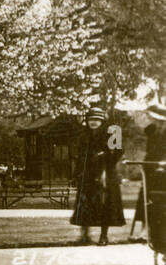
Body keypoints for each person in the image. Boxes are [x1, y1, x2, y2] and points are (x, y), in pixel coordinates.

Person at [71, 107, 125, 246]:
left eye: (97, 119)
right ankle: (84, 235)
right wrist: (77, 173)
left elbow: (118, 152)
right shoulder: (84, 136)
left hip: (105, 172)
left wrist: (104, 155)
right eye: (91, 119)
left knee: (104, 204)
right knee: (84, 204)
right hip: (87, 173)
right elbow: (79, 156)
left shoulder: (112, 132)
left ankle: (103, 236)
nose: (93, 122)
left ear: (102, 121)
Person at [129, 102, 166, 241]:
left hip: (164, 170)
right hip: (150, 168)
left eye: (156, 118)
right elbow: (141, 126)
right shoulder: (152, 130)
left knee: (160, 201)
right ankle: (144, 232)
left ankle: (155, 232)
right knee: (145, 199)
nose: (154, 120)